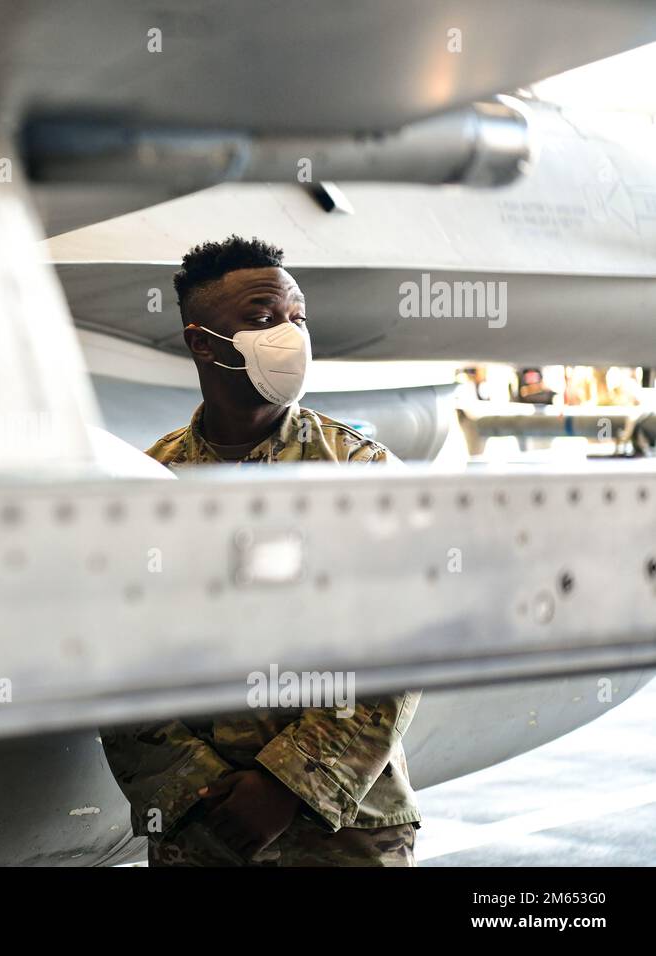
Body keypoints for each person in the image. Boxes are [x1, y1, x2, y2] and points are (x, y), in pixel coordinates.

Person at [99, 236, 422, 866]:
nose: (289, 335)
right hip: (202, 830)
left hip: (345, 829)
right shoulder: (147, 483)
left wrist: (285, 786)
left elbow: (406, 640)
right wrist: (195, 789)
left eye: (298, 319)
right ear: (201, 341)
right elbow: (116, 661)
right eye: (262, 320)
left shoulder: (360, 469)